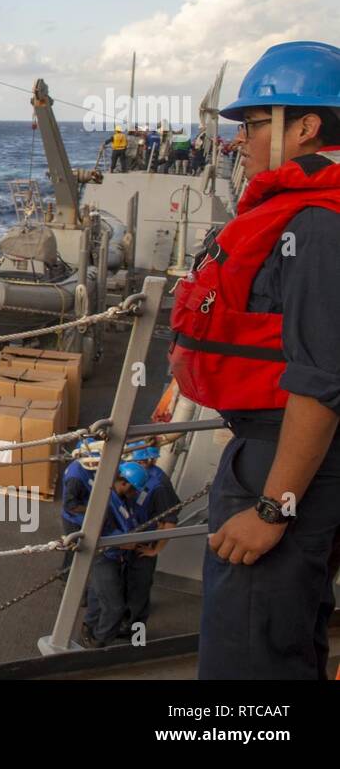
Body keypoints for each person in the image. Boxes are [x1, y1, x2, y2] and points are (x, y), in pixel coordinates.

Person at [169, 40, 340, 679]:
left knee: (247, 662)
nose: (239, 140)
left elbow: (321, 381)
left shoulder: (317, 227)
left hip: (286, 463)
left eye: (253, 123)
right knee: (287, 644)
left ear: (306, 126)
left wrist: (274, 509)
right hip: (288, 457)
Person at [80, 462, 146, 648]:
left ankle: (89, 627)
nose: (136, 494)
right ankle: (99, 641)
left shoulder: (121, 499)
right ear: (124, 484)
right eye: (134, 489)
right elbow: (97, 534)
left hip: (115, 557)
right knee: (115, 607)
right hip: (104, 557)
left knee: (97, 595)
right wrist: (125, 542)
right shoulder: (105, 504)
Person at [122, 444, 180, 629]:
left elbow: (169, 521)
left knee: (140, 584)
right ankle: (124, 614)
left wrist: (156, 550)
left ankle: (134, 625)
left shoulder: (158, 485)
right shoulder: (133, 472)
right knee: (127, 579)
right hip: (130, 536)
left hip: (143, 543)